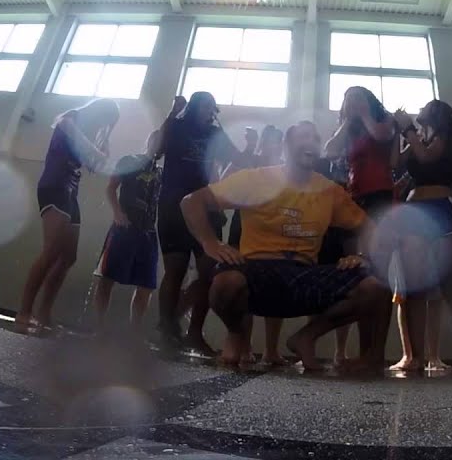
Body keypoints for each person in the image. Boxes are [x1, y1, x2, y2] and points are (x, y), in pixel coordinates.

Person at [181, 121, 393, 371]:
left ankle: (307, 337)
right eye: (304, 136)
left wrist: (361, 256)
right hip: (257, 269)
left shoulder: (328, 190)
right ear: (286, 146)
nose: (312, 142)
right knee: (225, 282)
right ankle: (236, 333)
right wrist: (210, 242)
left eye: (316, 138)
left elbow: (369, 227)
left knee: (376, 288)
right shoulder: (256, 179)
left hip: (303, 273)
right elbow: (191, 201)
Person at [152, 92, 251, 355]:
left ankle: (192, 331)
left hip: (205, 206)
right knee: (176, 269)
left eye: (213, 107)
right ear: (194, 106)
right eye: (206, 106)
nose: (211, 110)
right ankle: (167, 330)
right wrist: (173, 112)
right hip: (173, 205)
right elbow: (154, 149)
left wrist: (250, 145)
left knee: (209, 271)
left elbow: (239, 160)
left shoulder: (215, 133)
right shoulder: (177, 125)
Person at [16, 98, 119, 334]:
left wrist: (105, 139)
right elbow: (81, 143)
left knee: (68, 257)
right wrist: (98, 147)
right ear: (97, 113)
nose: (105, 125)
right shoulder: (70, 119)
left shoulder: (91, 133)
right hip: (55, 184)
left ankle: (44, 313)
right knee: (51, 251)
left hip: (70, 188)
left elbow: (95, 163)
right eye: (106, 120)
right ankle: (24, 312)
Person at [386, 101, 452, 373]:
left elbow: (426, 157)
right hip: (414, 216)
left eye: (425, 106)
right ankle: (414, 358)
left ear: (437, 113)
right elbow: (395, 163)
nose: (419, 108)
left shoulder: (442, 139)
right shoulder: (418, 139)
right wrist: (396, 132)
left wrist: (409, 128)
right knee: (414, 288)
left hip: (442, 214)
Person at [322, 86, 398, 367]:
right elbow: (329, 151)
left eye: (357, 99)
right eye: (347, 100)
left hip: (380, 200)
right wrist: (346, 122)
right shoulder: (349, 130)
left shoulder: (384, 120)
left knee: (380, 273)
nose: (351, 104)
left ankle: (375, 351)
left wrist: (363, 113)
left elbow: (382, 135)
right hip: (355, 201)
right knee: (360, 275)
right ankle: (365, 351)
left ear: (368, 102)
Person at [224, 125, 286, 365]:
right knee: (243, 289)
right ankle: (245, 346)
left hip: (274, 233)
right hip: (244, 231)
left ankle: (271, 350)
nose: (272, 146)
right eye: (268, 141)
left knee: (276, 289)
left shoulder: (285, 169)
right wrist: (248, 150)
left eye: (276, 141)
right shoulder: (250, 161)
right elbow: (225, 180)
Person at [92, 130, 163, 332]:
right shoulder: (129, 161)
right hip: (124, 228)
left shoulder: (161, 173)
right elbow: (110, 188)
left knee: (147, 284)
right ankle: (99, 328)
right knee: (107, 278)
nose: (159, 146)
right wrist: (117, 213)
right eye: (157, 140)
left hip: (148, 232)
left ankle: (134, 332)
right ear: (150, 140)